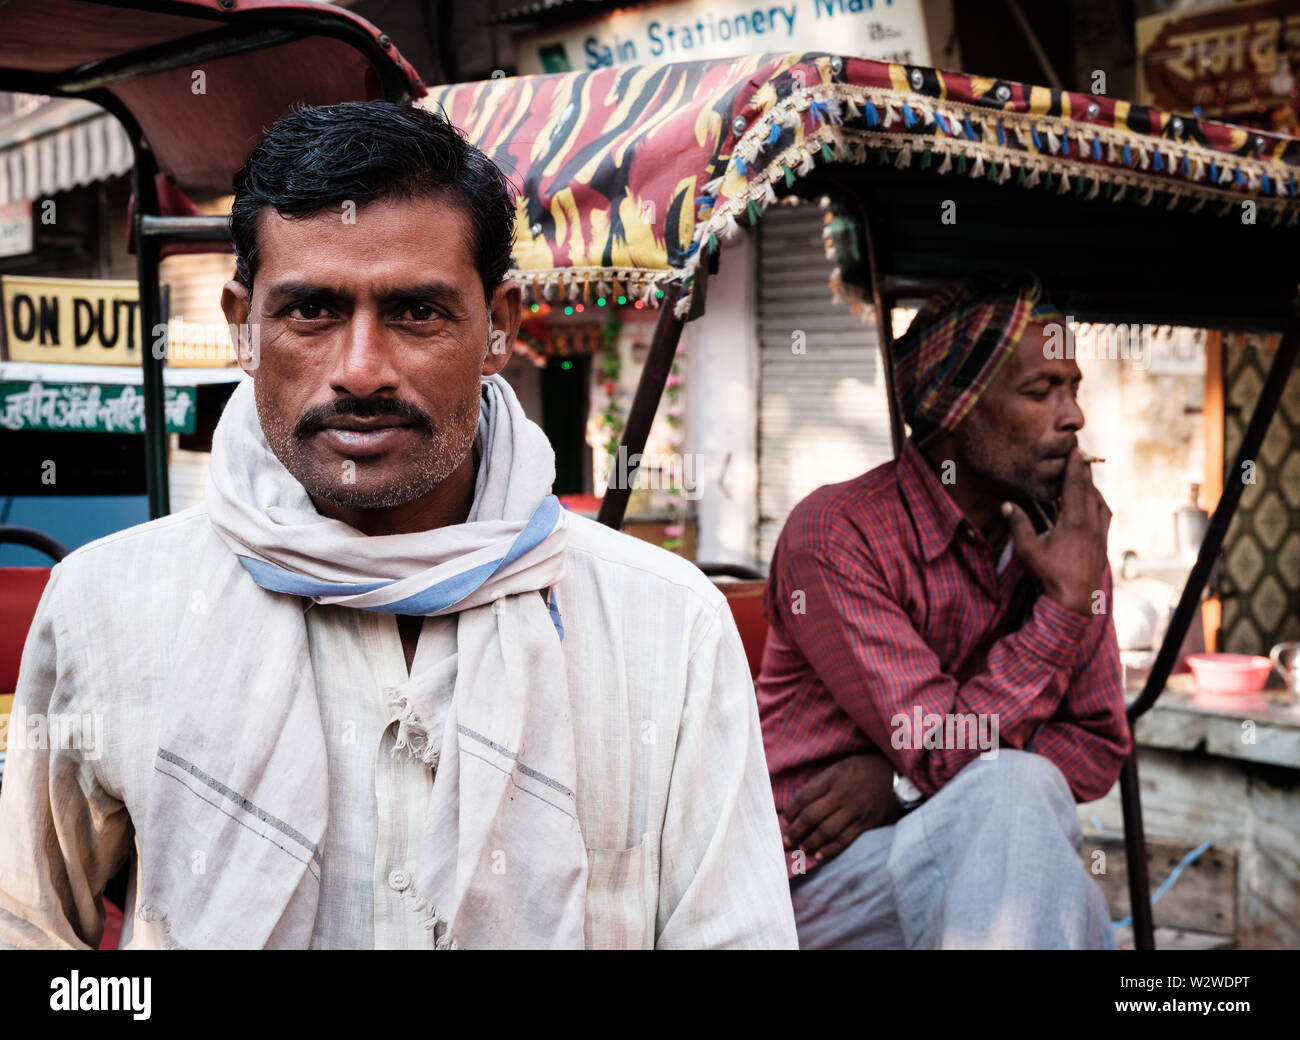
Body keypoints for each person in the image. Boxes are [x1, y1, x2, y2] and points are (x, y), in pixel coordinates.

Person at [0, 101, 797, 950]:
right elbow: (27, 924)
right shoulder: (109, 605)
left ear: (500, 328)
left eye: (418, 312)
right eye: (311, 311)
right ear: (242, 325)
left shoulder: (665, 626)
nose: (361, 371)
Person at [757, 276, 1132, 949]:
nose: (1073, 415)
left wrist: (902, 783)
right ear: (957, 406)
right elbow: (934, 747)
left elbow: (1096, 746)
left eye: (1074, 388)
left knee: (1021, 809)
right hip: (814, 884)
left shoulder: (1071, 544)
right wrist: (1064, 611)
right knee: (1022, 806)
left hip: (986, 855)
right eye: (1041, 390)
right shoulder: (838, 533)